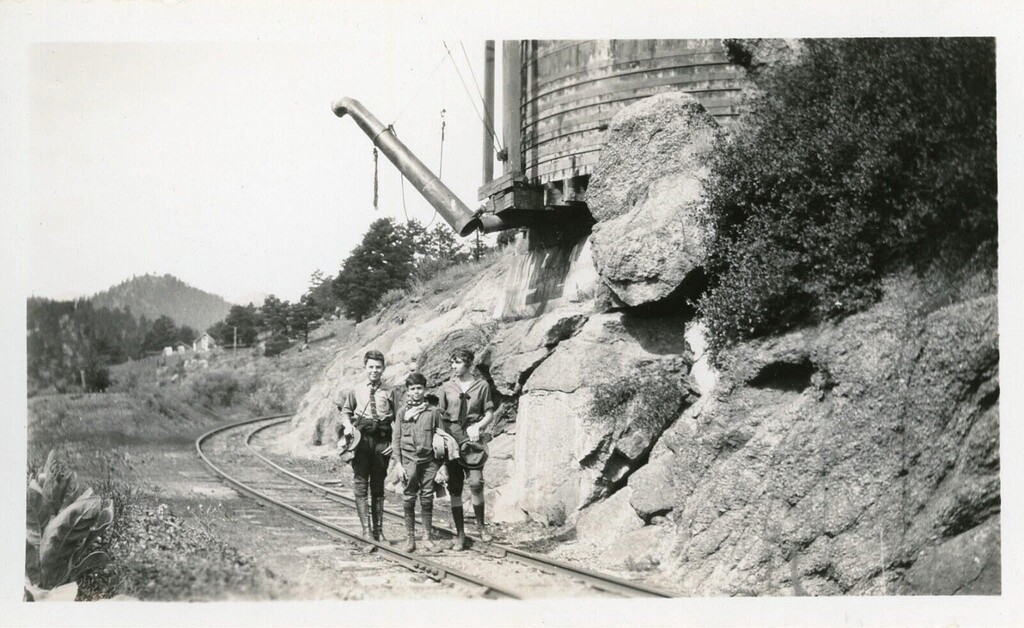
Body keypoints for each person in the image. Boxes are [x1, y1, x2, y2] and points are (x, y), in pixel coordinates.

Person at [437, 347, 495, 549]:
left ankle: (481, 527)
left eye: (458, 362)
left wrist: (478, 426)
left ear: (468, 363)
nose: (454, 367)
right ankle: (460, 534)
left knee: (476, 482)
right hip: (452, 439)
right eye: (452, 362)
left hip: (472, 441)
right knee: (455, 487)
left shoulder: (482, 386)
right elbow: (439, 415)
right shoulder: (446, 387)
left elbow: (489, 412)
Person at [337, 349, 394, 549]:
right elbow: (346, 411)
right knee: (361, 483)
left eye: (378, 367)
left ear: (383, 368)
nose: (374, 371)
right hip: (362, 440)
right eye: (371, 367)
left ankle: (379, 531)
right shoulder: (357, 389)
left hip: (381, 441)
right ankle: (366, 531)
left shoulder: (389, 391)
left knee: (378, 485)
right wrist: (347, 425)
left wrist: (393, 444)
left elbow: (399, 419)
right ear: (365, 367)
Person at [391, 372, 442, 553]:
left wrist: (441, 466)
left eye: (419, 388)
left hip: (429, 461)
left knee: (427, 498)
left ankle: (427, 538)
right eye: (412, 389)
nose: (416, 392)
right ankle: (410, 538)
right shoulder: (402, 412)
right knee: (409, 497)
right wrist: (398, 463)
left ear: (425, 389)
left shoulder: (433, 412)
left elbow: (441, 438)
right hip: (408, 461)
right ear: (407, 391)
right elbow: (396, 439)